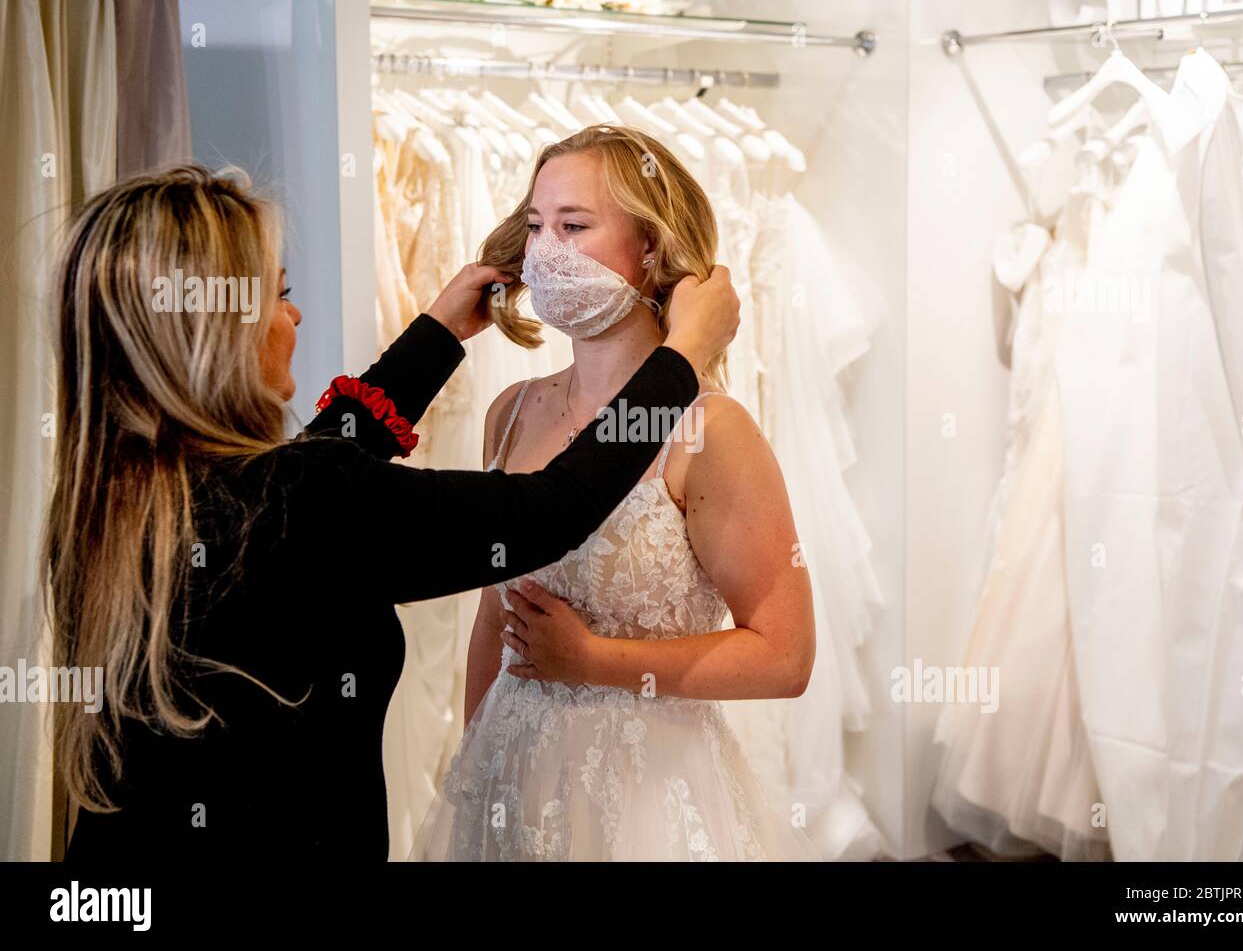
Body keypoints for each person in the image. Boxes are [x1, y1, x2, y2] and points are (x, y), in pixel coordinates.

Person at [49, 165, 739, 860]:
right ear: (213, 331)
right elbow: (547, 513)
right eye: (278, 296)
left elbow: (318, 469)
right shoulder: (295, 499)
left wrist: (439, 332)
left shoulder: (118, 497)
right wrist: (683, 356)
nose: (293, 317)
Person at [410, 125, 820, 861]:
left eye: (574, 226)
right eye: (535, 227)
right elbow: (493, 616)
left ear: (652, 250)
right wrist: (476, 763)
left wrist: (592, 660)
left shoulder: (708, 432)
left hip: (650, 797)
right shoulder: (512, 411)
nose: (545, 252)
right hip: (513, 774)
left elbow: (785, 658)